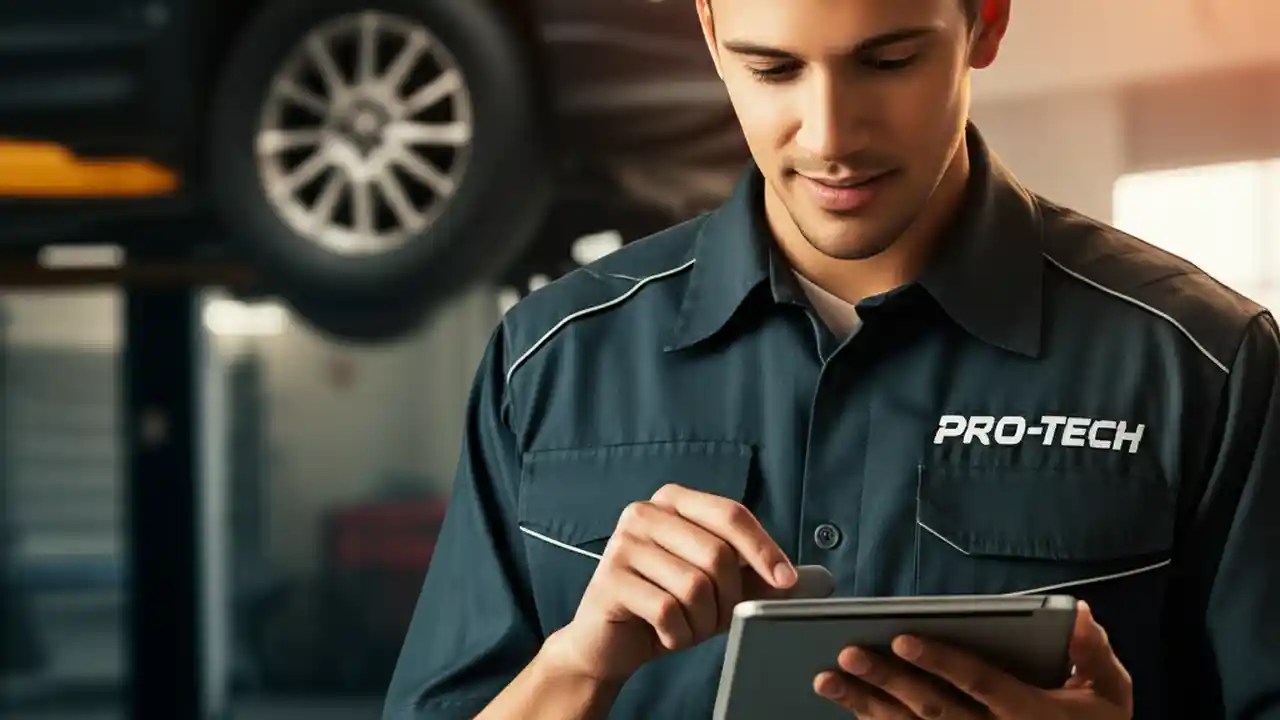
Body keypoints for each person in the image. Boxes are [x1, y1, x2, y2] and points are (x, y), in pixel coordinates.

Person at [382, 0, 1280, 717]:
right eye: (772, 68)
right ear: (709, 33)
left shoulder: (1201, 365)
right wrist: (578, 668)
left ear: (986, 21)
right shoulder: (546, 365)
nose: (829, 136)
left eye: (888, 61)